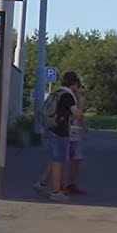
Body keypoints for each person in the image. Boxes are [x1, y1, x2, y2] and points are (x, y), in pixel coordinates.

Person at [33, 71, 82, 201]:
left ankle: (41, 183)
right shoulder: (68, 96)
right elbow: (77, 114)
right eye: (78, 85)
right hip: (61, 131)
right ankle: (56, 192)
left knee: (55, 158)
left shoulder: (56, 92)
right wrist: (78, 101)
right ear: (74, 84)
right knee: (58, 162)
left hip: (51, 127)